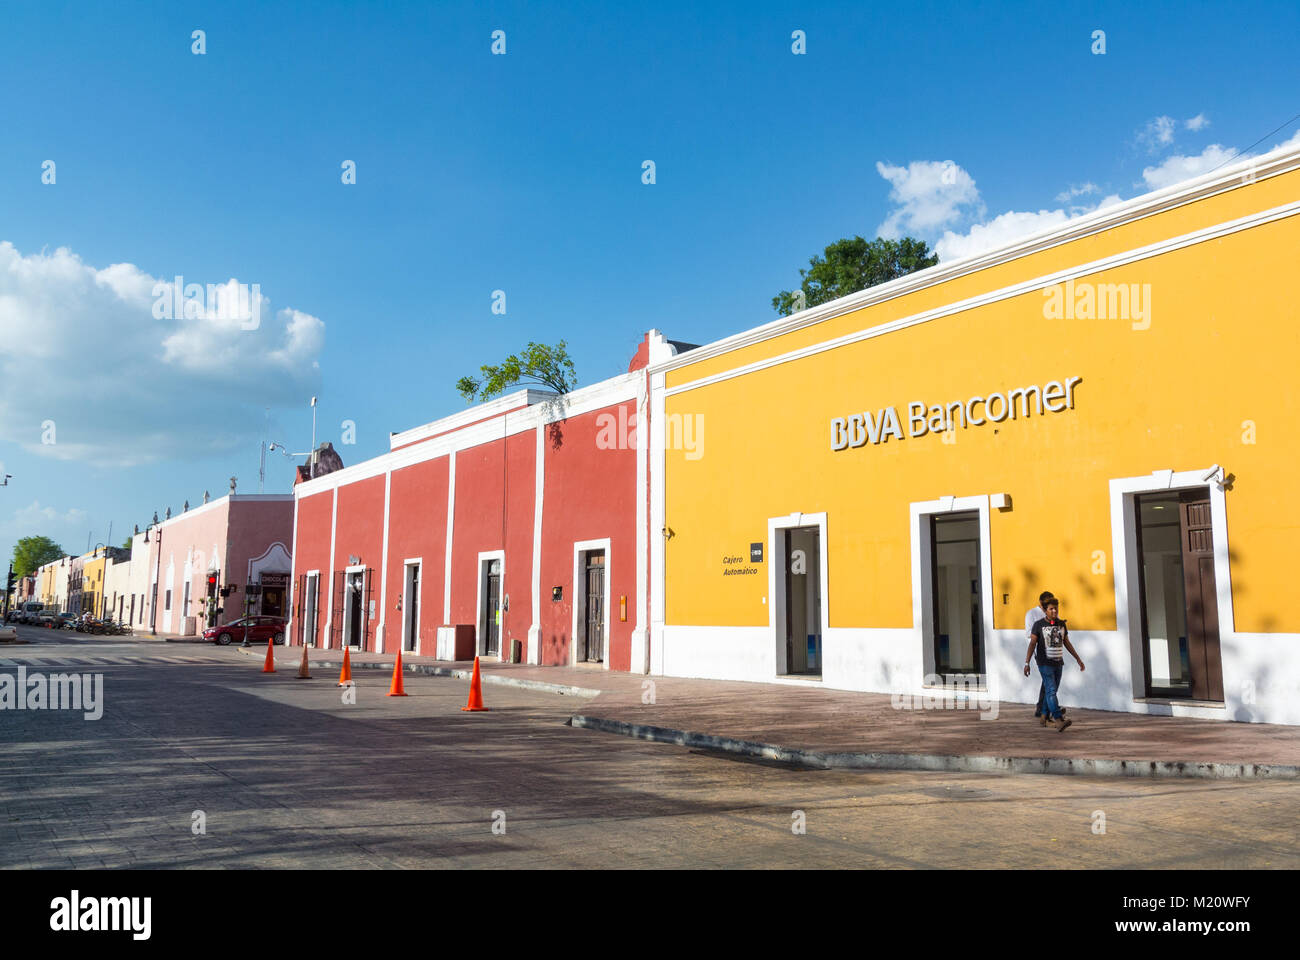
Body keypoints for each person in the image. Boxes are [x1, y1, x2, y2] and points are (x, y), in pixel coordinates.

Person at [1024, 598, 1084, 732]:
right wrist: (1027, 663)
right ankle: (1058, 719)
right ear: (1045, 610)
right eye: (1051, 609)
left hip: (1058, 662)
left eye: (1056, 608)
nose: (1054, 611)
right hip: (1044, 663)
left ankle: (1044, 716)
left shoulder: (1062, 624)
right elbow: (1032, 644)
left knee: (1052, 690)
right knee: (1051, 691)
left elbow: (1067, 642)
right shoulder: (1038, 625)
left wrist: (1078, 659)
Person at [1025, 591, 1064, 721]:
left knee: (1048, 683)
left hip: (1054, 654)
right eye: (1048, 605)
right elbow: (1030, 636)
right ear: (1041, 603)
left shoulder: (1053, 614)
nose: (1053, 609)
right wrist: (1028, 661)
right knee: (1049, 684)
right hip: (1040, 653)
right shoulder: (1032, 614)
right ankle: (1051, 711)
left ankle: (1043, 710)